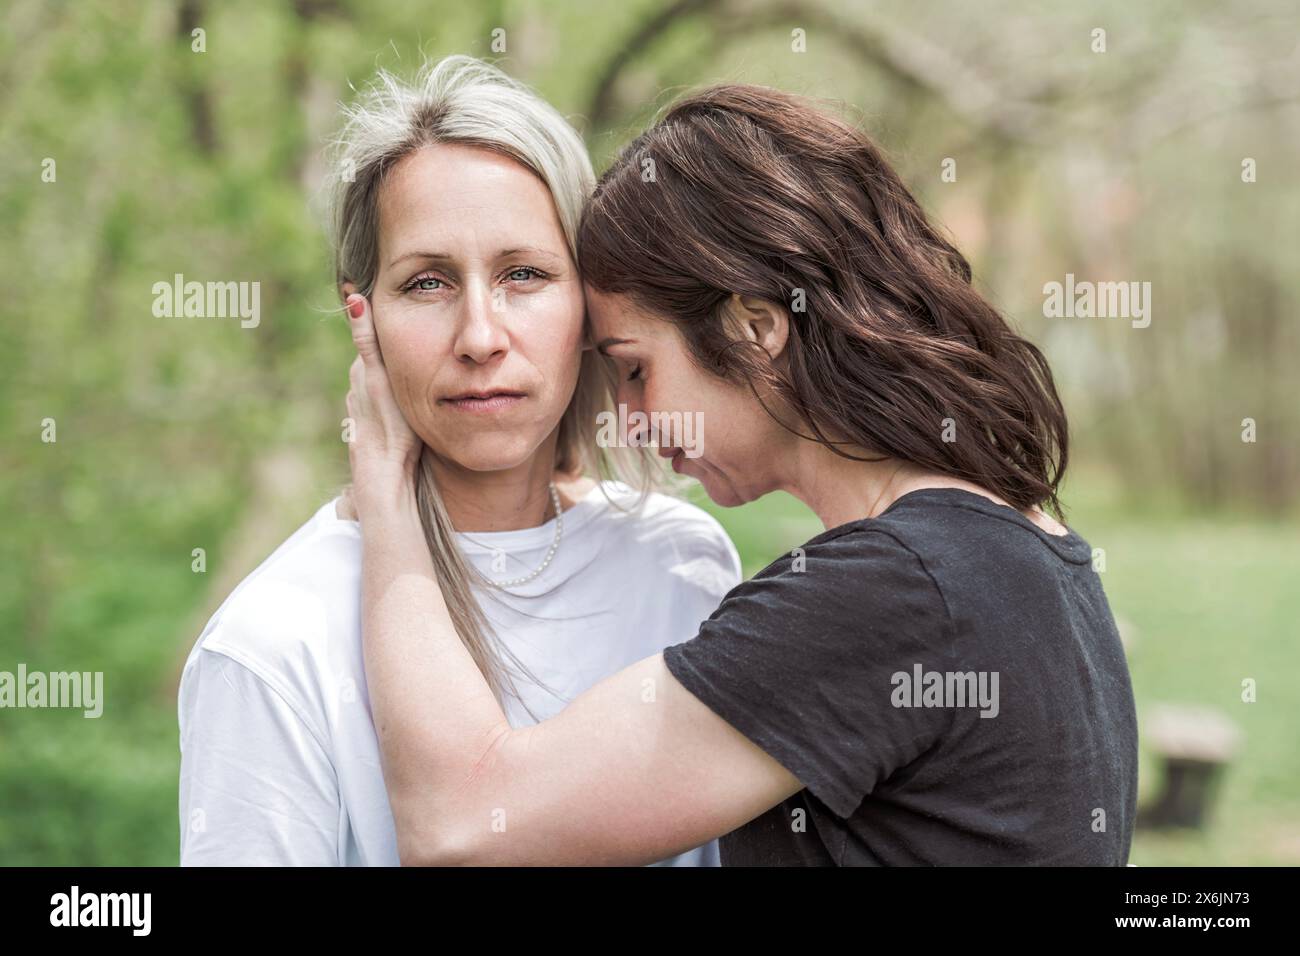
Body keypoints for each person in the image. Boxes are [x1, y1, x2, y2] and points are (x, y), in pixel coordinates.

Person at [345, 83, 1140, 866]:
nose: (632, 418)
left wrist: (386, 489)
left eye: (633, 369)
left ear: (755, 329)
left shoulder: (892, 593)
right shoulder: (1019, 546)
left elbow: (462, 824)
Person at [176, 57, 738, 867]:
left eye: (524, 275)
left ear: (590, 302)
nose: (480, 336)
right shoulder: (275, 643)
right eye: (429, 283)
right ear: (360, 317)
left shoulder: (681, 565)